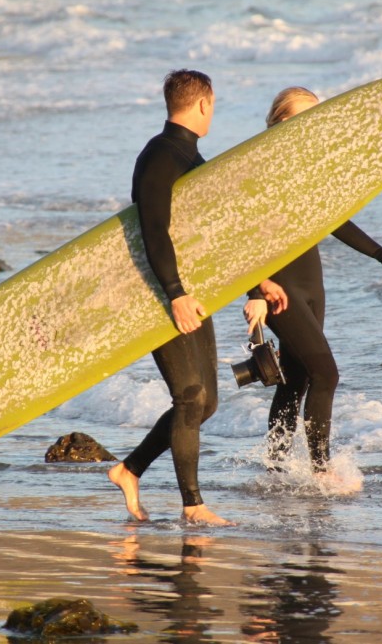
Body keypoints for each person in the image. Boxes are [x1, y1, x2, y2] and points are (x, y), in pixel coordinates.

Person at [107, 70, 287, 526]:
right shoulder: (160, 156)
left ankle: (129, 470)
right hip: (160, 293)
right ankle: (193, 506)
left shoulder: (189, 157)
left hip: (190, 292)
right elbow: (154, 231)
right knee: (189, 396)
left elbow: (211, 238)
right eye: (214, 106)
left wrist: (256, 284)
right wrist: (174, 294)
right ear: (204, 104)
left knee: (206, 403)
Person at [243, 86, 382, 486]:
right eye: (306, 115)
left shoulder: (308, 168)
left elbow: (333, 219)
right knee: (326, 373)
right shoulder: (259, 167)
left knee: (297, 379)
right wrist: (255, 291)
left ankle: (275, 469)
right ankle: (321, 469)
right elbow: (245, 234)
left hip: (311, 283)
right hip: (279, 286)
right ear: (283, 119)